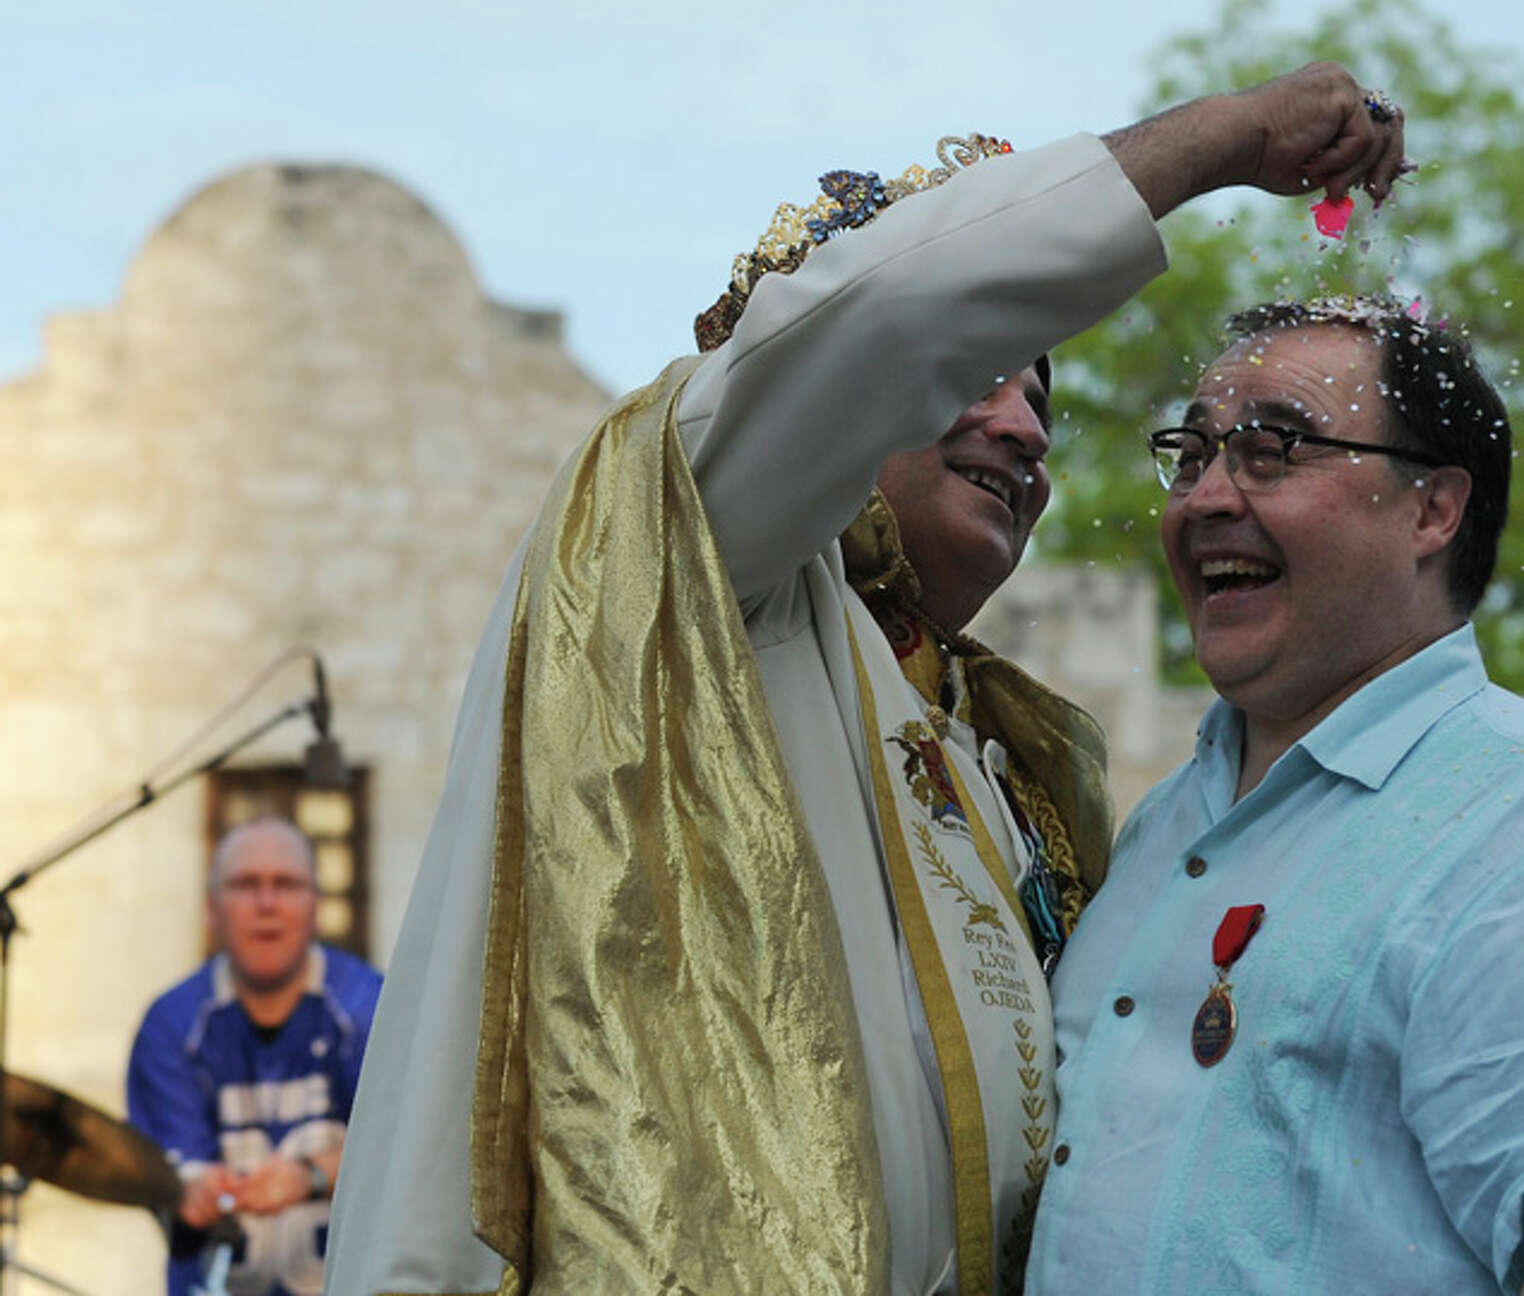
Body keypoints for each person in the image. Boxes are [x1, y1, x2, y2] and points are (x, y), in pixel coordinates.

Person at [323, 65, 1411, 1296]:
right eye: (985, 371)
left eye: (1042, 395)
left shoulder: (1002, 757)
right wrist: (1218, 142)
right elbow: (888, 316)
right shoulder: (695, 545)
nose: (1026, 428)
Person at [1023, 297, 1524, 1295]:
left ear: (1432, 511)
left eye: (1273, 448)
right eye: (1191, 454)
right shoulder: (1159, 828)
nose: (1207, 496)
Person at [128, 816, 382, 1296]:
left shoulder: (373, 1009)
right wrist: (191, 1189)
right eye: (245, 885)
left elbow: (407, 1152)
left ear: (316, 906)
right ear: (211, 908)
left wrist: (309, 1176)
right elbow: (159, 1166)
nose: (267, 904)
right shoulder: (171, 1025)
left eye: (285, 884)